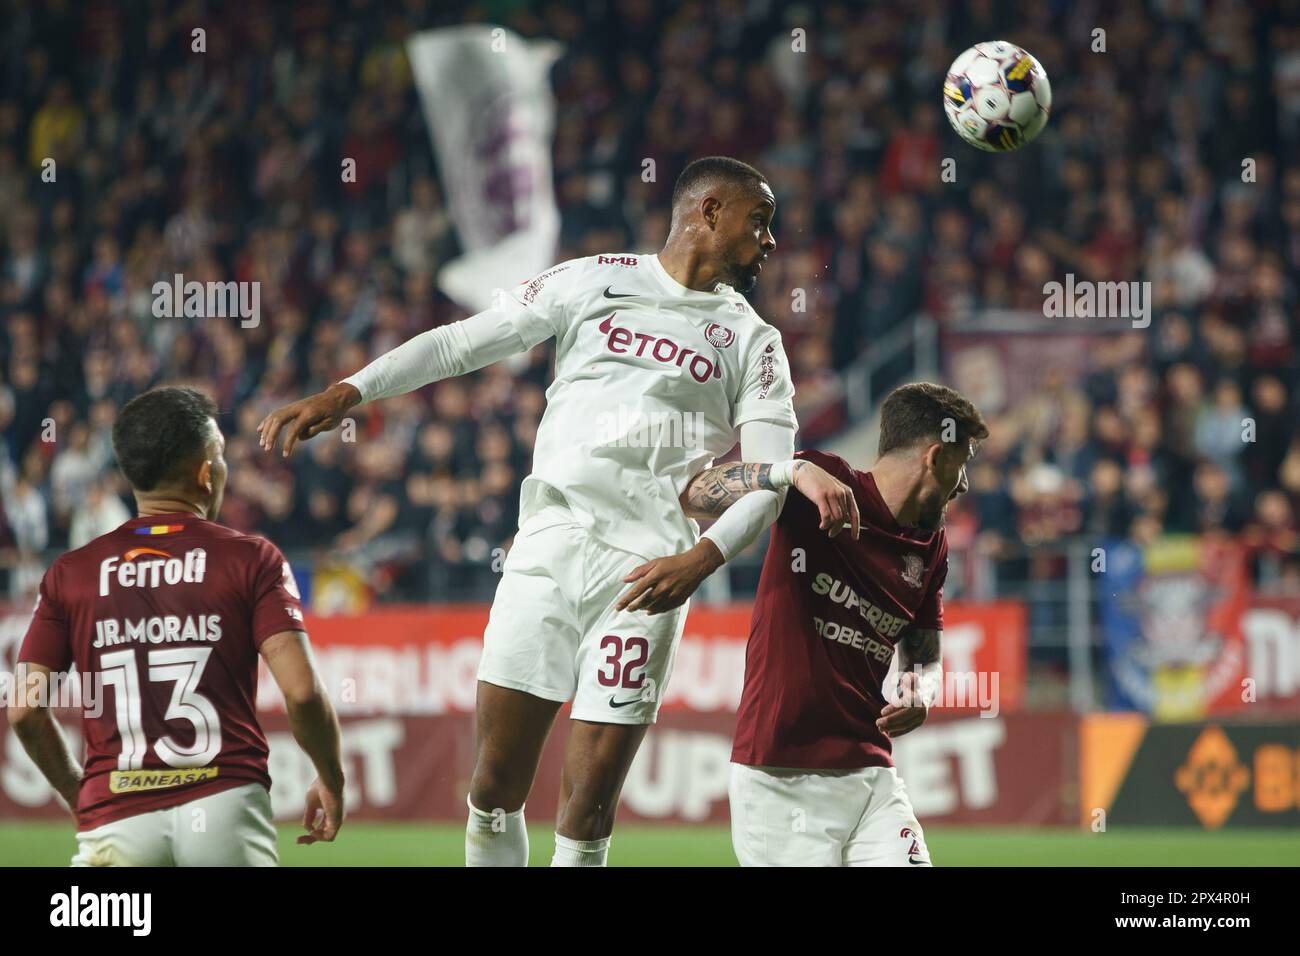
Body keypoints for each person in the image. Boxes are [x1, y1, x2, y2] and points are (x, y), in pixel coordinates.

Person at [257, 156, 859, 866]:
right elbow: (459, 343)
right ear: (707, 212)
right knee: (492, 789)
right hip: (548, 547)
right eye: (758, 223)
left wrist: (701, 560)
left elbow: (768, 481)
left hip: (649, 574)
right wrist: (348, 392)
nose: (770, 242)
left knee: (587, 814)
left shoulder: (756, 344)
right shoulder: (592, 278)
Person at [10, 386, 345, 866]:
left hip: (117, 812)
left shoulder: (71, 572)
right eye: (222, 457)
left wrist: (78, 795)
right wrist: (331, 779)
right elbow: (303, 694)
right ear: (207, 473)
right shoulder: (250, 559)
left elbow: (24, 708)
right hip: (225, 806)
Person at [715, 382, 988, 866]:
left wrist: (918, 692)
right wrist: (790, 472)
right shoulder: (823, 482)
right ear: (934, 456)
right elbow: (695, 491)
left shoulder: (931, 548)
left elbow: (922, 655)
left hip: (872, 777)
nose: (964, 484)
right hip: (781, 778)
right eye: (962, 462)